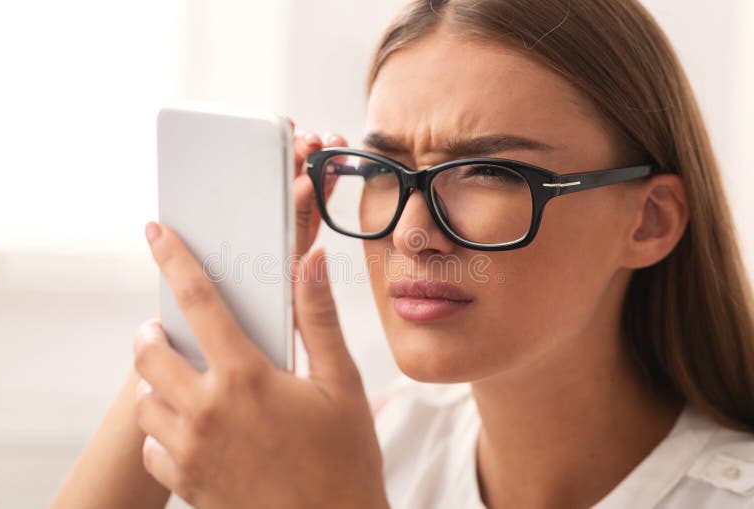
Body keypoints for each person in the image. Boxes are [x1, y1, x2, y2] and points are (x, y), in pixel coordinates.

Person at [49, 0, 754, 507]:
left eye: (488, 170)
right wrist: (212, 310)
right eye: (383, 168)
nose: (413, 231)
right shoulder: (381, 441)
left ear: (650, 221)